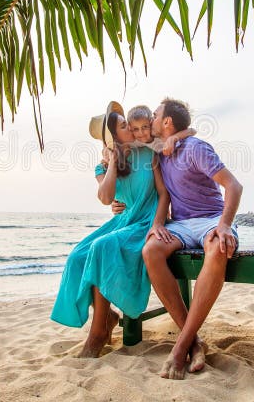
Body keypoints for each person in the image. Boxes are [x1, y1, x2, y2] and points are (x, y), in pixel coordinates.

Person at [50, 102, 171, 357]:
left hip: (146, 220)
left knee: (101, 247)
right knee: (77, 256)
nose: (131, 128)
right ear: (115, 136)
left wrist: (158, 223)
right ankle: (106, 319)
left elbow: (163, 193)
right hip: (123, 221)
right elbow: (106, 198)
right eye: (124, 126)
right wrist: (114, 163)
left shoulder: (150, 153)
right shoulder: (103, 165)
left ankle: (98, 334)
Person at [142, 98, 243, 380]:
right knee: (150, 250)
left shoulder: (196, 149)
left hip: (212, 218)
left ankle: (180, 348)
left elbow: (233, 185)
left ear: (167, 122)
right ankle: (195, 341)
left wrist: (224, 225)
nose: (150, 118)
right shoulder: (159, 152)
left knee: (219, 247)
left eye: (155, 114)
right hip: (182, 225)